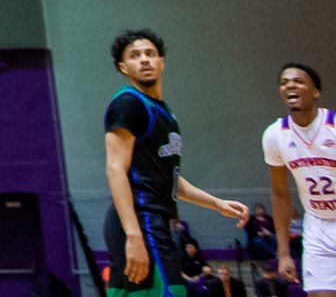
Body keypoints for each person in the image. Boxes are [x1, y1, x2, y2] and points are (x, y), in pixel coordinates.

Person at [103, 30, 249, 297]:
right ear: (123, 67)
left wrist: (216, 203)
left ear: (162, 62)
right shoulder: (129, 104)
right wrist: (134, 237)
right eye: (135, 56)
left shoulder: (164, 111)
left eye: (150, 54)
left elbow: (168, 177)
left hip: (148, 220)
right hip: (140, 220)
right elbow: (115, 170)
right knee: (173, 292)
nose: (144, 60)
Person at [265, 63, 333, 295]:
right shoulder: (275, 135)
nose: (290, 85)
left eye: (299, 81)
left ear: (316, 92)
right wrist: (283, 253)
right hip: (317, 225)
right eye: (284, 82)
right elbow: (280, 193)